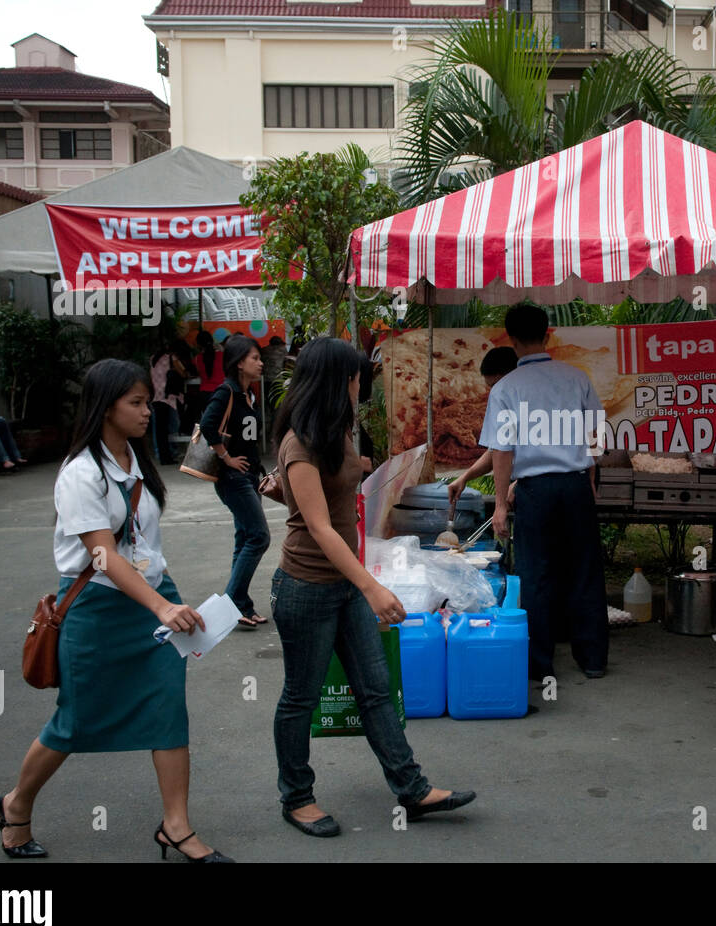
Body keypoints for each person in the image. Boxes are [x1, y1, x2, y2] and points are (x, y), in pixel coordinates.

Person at [0, 359, 232, 862]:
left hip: (149, 605)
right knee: (75, 722)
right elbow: (101, 554)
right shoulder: (80, 473)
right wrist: (162, 605)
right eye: (137, 403)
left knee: (168, 710)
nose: (149, 412)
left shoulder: (134, 461)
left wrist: (166, 599)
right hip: (99, 610)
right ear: (106, 408)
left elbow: (143, 542)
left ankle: (176, 826)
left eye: (148, 402)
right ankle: (16, 805)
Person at [270, 337, 475, 836]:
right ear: (337, 379)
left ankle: (413, 789)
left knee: (376, 690)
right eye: (357, 377)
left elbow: (329, 502)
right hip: (306, 588)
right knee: (302, 696)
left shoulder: (335, 432)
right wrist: (371, 587)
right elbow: (318, 528)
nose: (362, 384)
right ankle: (296, 798)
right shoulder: (299, 442)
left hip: (342, 584)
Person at [479, 305, 610, 679]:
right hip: (574, 485)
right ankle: (594, 660)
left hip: (535, 490)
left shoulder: (505, 389)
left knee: (537, 575)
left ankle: (539, 666)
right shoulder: (576, 377)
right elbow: (596, 436)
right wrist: (587, 474)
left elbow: (502, 452)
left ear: (511, 340)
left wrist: (501, 504)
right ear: (548, 334)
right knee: (585, 571)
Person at [200, 334, 270, 628]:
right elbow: (207, 425)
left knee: (244, 539)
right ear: (240, 363)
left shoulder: (248, 394)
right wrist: (226, 457)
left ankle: (240, 605)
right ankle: (230, 605)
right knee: (258, 536)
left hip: (250, 476)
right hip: (232, 478)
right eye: (254, 358)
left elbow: (250, 438)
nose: (260, 363)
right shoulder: (226, 391)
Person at [447, 346, 519, 508]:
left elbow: (554, 451)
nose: (494, 392)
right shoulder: (508, 404)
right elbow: (496, 450)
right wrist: (465, 477)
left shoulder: (537, 402)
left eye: (495, 385)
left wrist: (523, 482)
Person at [149, 344, 188, 465]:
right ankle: (170, 454)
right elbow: (183, 373)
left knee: (159, 430)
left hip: (156, 397)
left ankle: (162, 456)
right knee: (172, 427)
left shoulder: (152, 358)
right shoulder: (172, 358)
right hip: (168, 398)